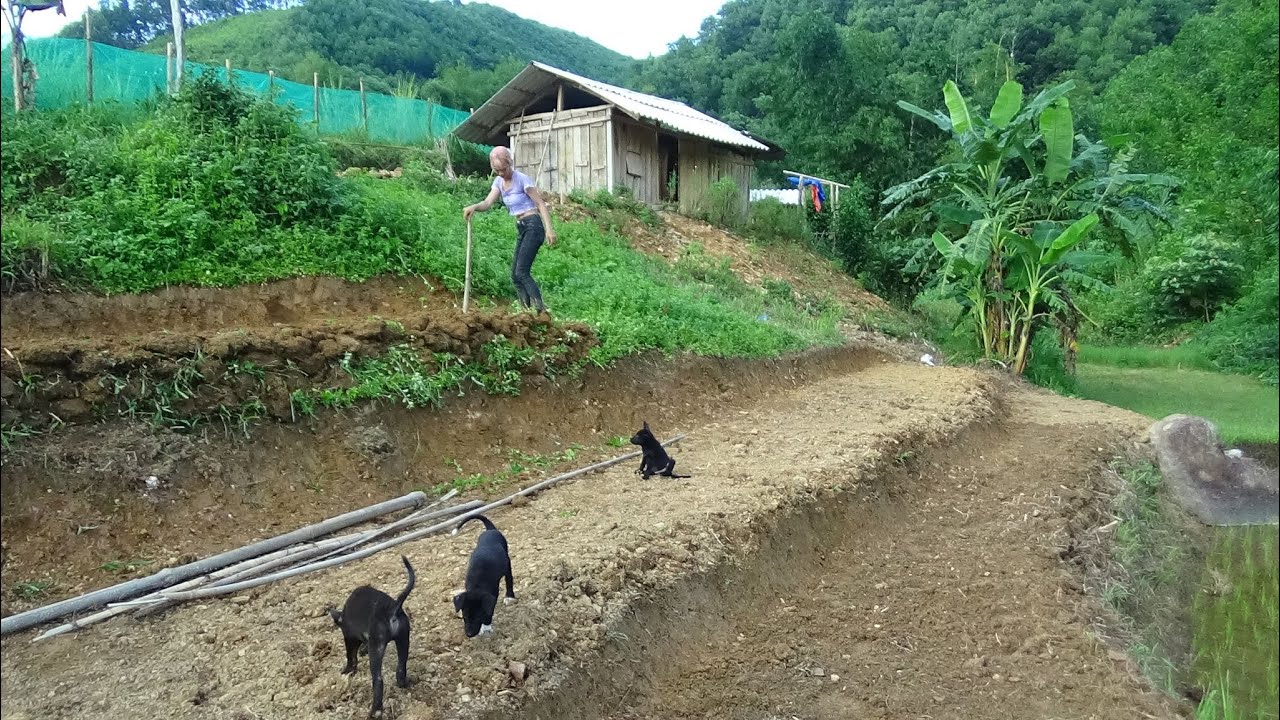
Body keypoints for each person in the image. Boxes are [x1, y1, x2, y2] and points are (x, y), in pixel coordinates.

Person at [463, 146, 557, 313]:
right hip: (522, 227)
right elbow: (487, 203)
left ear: (510, 164)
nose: (501, 173)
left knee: (522, 272)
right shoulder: (498, 182)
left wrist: (550, 230)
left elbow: (540, 203)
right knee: (515, 276)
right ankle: (525, 312)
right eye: (497, 170)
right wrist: (474, 207)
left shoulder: (522, 180)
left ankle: (541, 311)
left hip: (533, 225)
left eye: (503, 169)